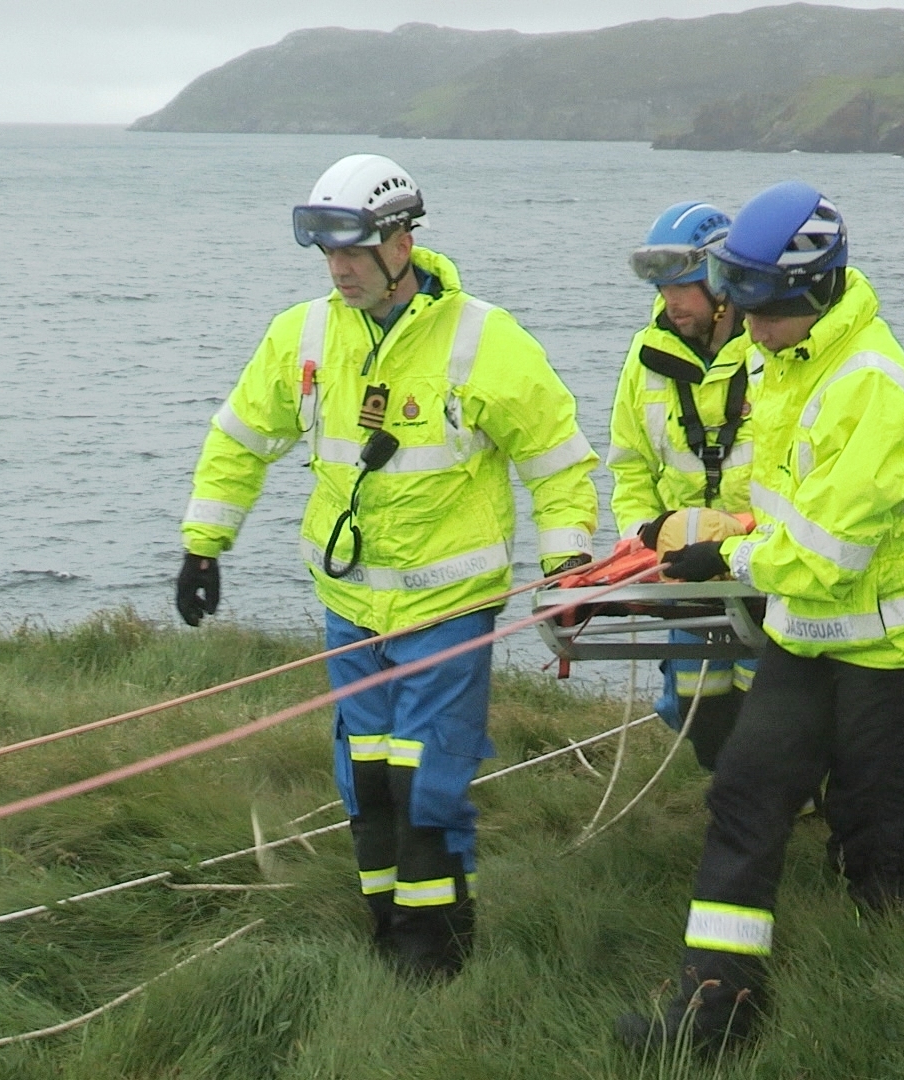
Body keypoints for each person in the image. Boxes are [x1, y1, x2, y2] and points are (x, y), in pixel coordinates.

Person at [173, 153, 599, 979]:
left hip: (447, 609)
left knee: (425, 789)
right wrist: (203, 543)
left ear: (403, 240)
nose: (340, 270)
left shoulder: (484, 339)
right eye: (328, 252)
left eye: (356, 251)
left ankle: (434, 955)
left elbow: (556, 460)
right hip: (350, 607)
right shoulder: (302, 335)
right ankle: (384, 929)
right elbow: (241, 439)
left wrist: (569, 566)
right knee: (365, 781)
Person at [616, 181, 904, 1053]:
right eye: (738, 298)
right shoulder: (784, 357)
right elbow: (785, 513)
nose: (747, 322)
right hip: (809, 629)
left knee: (875, 830)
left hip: (894, 643)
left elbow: (828, 552)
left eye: (764, 307)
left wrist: (728, 557)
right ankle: (714, 1012)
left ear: (816, 291)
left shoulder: (873, 386)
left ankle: (896, 996)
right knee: (745, 794)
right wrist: (721, 530)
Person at [609, 201, 756, 769]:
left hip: (758, 566)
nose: (672, 301)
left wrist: (740, 540)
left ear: (721, 279)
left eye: (685, 286)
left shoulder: (770, 350)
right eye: (664, 288)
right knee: (700, 713)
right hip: (684, 574)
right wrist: (644, 538)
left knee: (766, 711)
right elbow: (629, 465)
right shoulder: (647, 358)